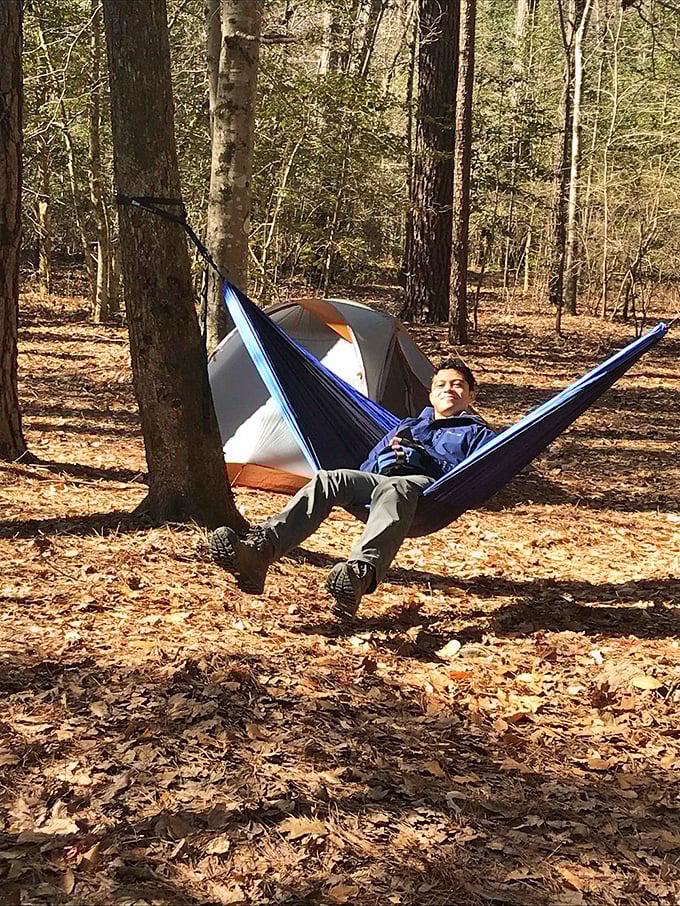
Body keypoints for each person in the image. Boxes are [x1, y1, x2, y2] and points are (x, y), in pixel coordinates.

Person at [209, 358, 496, 619]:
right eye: (441, 385)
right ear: (431, 394)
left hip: (429, 492)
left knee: (396, 487)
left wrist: (427, 461)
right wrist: (382, 463)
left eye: (458, 385)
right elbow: (367, 464)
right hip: (383, 482)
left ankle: (358, 575)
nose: (449, 390)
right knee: (329, 479)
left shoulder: (479, 434)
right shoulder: (406, 426)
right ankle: (260, 551)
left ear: (471, 395)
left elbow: (477, 479)